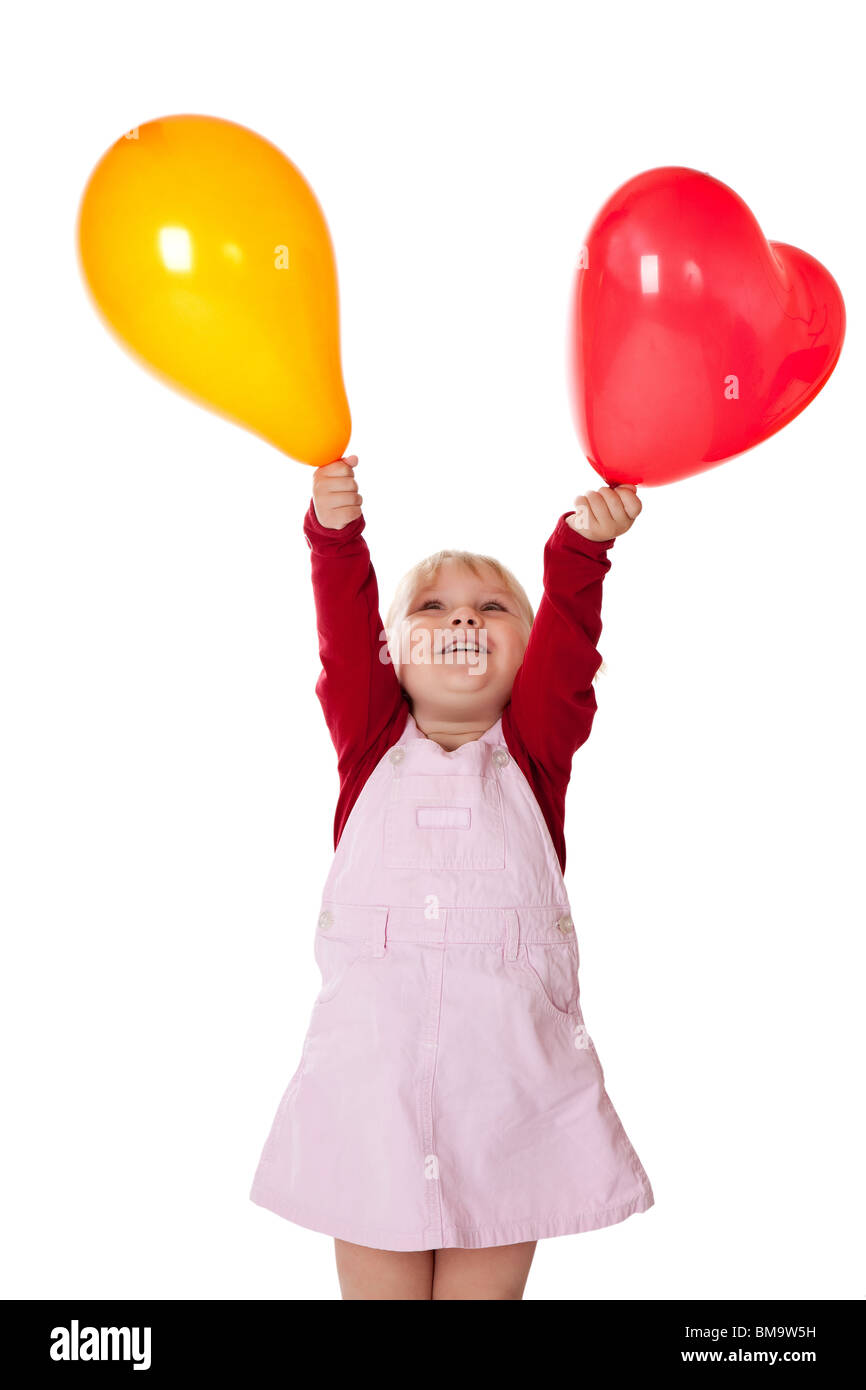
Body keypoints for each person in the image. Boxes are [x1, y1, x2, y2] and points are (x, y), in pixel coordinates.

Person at [249, 455, 653, 1299]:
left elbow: (569, 656)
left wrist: (579, 552)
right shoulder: (369, 741)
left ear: (525, 653)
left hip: (507, 1096)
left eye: (493, 608)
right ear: (393, 654)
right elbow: (343, 631)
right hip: (371, 1095)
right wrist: (335, 534)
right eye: (432, 608)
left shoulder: (535, 750)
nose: (462, 617)